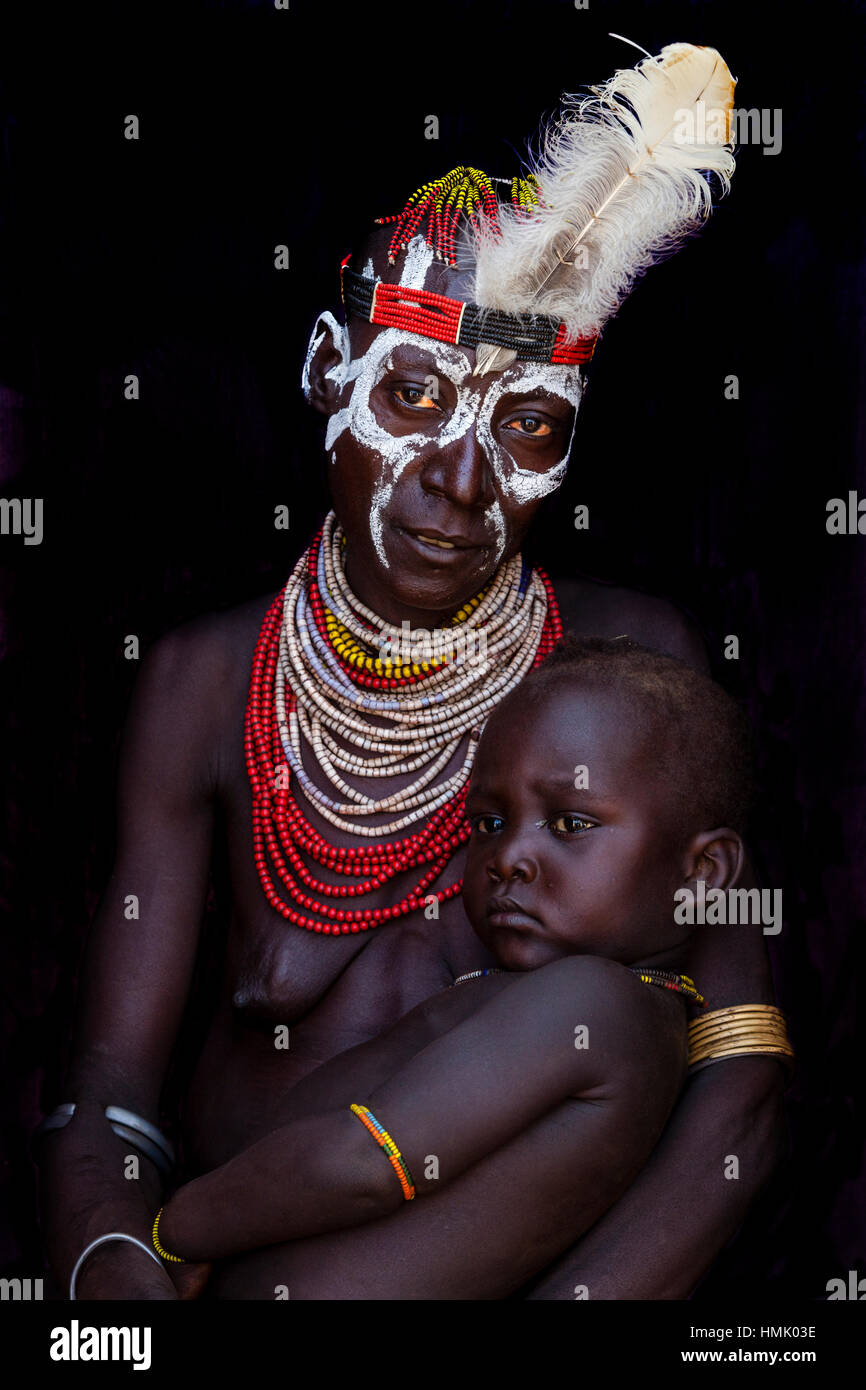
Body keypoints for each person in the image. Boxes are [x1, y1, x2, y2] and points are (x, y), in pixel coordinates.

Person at [35, 41, 786, 1301]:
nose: (460, 478)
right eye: (417, 392)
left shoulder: (629, 667)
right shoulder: (204, 683)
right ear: (329, 372)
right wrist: (118, 1275)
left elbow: (738, 1079)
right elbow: (110, 1094)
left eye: (525, 425)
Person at [148, 640, 793, 1302]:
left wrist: (176, 1231)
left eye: (571, 823)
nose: (509, 856)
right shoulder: (600, 1012)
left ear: (703, 873)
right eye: (488, 821)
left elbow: (366, 1164)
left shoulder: (591, 1002)